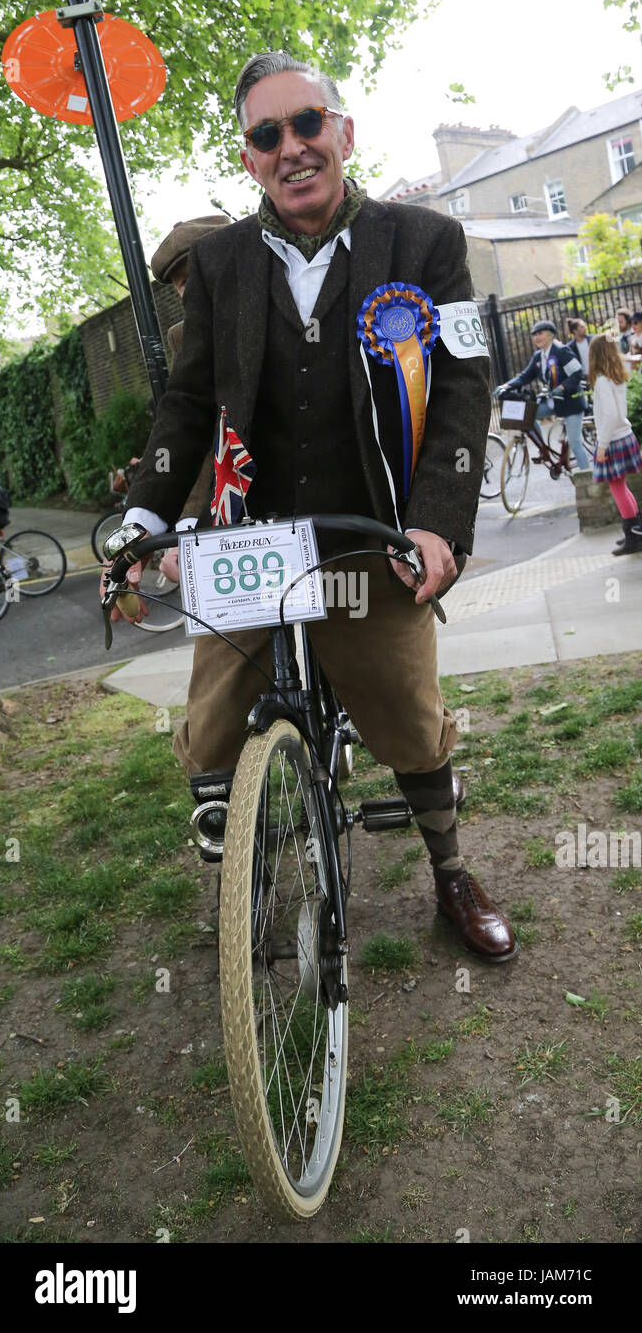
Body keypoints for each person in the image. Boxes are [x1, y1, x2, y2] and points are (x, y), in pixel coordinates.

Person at [114, 50, 516, 963]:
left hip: (368, 535)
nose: (290, 148)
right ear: (248, 157)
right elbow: (185, 400)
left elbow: (460, 382)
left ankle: (449, 868)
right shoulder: (217, 265)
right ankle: (242, 862)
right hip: (250, 541)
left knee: (410, 722)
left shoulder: (424, 242)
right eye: (267, 135)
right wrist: (144, 517)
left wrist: (435, 522)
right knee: (212, 730)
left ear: (341, 132)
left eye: (306, 124)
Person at [151, 214, 231, 583]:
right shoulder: (182, 337)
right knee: (226, 641)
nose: (190, 290)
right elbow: (194, 432)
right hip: (225, 509)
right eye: (182, 284)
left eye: (199, 273)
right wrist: (185, 525)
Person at [499, 319, 591, 470]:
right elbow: (525, 376)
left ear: (550, 335)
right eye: (534, 335)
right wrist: (507, 385)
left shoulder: (561, 351)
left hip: (571, 404)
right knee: (528, 416)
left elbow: (577, 373)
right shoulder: (538, 356)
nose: (536, 337)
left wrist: (562, 387)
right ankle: (543, 449)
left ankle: (588, 479)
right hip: (552, 402)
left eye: (540, 333)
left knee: (575, 443)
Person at [588, 333, 642, 555]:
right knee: (621, 486)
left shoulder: (601, 380)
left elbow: (609, 415)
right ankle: (634, 532)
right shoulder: (615, 376)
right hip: (624, 436)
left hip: (613, 441)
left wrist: (602, 446)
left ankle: (633, 537)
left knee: (617, 488)